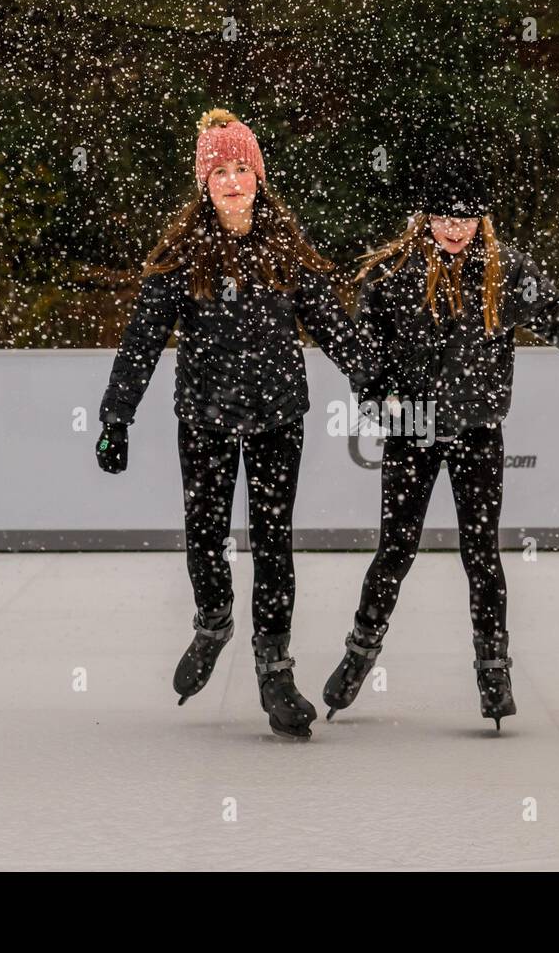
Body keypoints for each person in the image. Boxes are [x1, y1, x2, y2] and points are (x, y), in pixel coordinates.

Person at [323, 148, 559, 730]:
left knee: (482, 557)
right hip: (414, 431)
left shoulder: (506, 274)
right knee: (395, 551)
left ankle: (493, 669)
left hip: (477, 431)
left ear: (484, 218)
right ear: (422, 216)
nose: (455, 229)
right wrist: (380, 402)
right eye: (444, 216)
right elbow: (363, 359)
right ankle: (358, 654)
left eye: (466, 217)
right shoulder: (392, 278)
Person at [96, 108, 374, 740]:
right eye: (218, 170)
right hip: (206, 419)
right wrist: (117, 418)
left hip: (279, 418)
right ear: (203, 182)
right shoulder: (182, 257)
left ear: (259, 176)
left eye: (241, 167)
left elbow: (334, 327)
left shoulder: (285, 251)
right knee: (206, 533)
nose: (231, 180)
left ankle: (275, 673)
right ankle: (213, 623)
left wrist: (372, 378)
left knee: (274, 544)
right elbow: (141, 342)